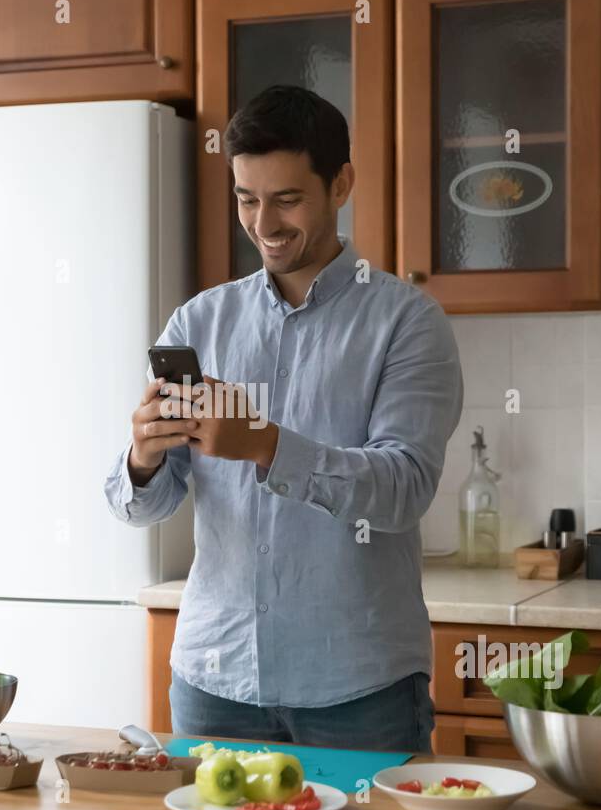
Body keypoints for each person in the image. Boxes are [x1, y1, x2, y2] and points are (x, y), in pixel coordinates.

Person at [103, 85, 463, 752]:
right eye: (246, 198)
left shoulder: (408, 323)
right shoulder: (199, 322)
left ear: (341, 184)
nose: (263, 223)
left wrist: (268, 446)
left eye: (287, 199)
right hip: (215, 683)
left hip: (360, 690)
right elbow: (138, 510)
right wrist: (144, 458)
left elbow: (404, 487)